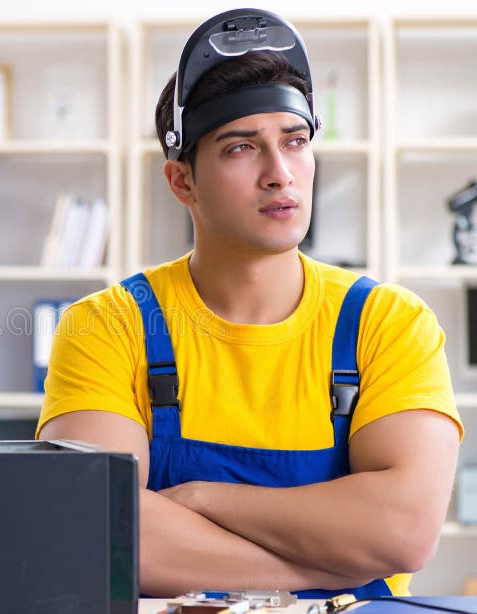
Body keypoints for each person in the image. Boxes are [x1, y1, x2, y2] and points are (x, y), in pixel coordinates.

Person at [36, 8, 462, 598]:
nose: (279, 174)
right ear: (182, 181)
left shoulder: (390, 323)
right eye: (241, 148)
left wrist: (202, 499)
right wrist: (327, 570)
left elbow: (404, 531)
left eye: (295, 142)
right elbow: (99, 531)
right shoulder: (107, 326)